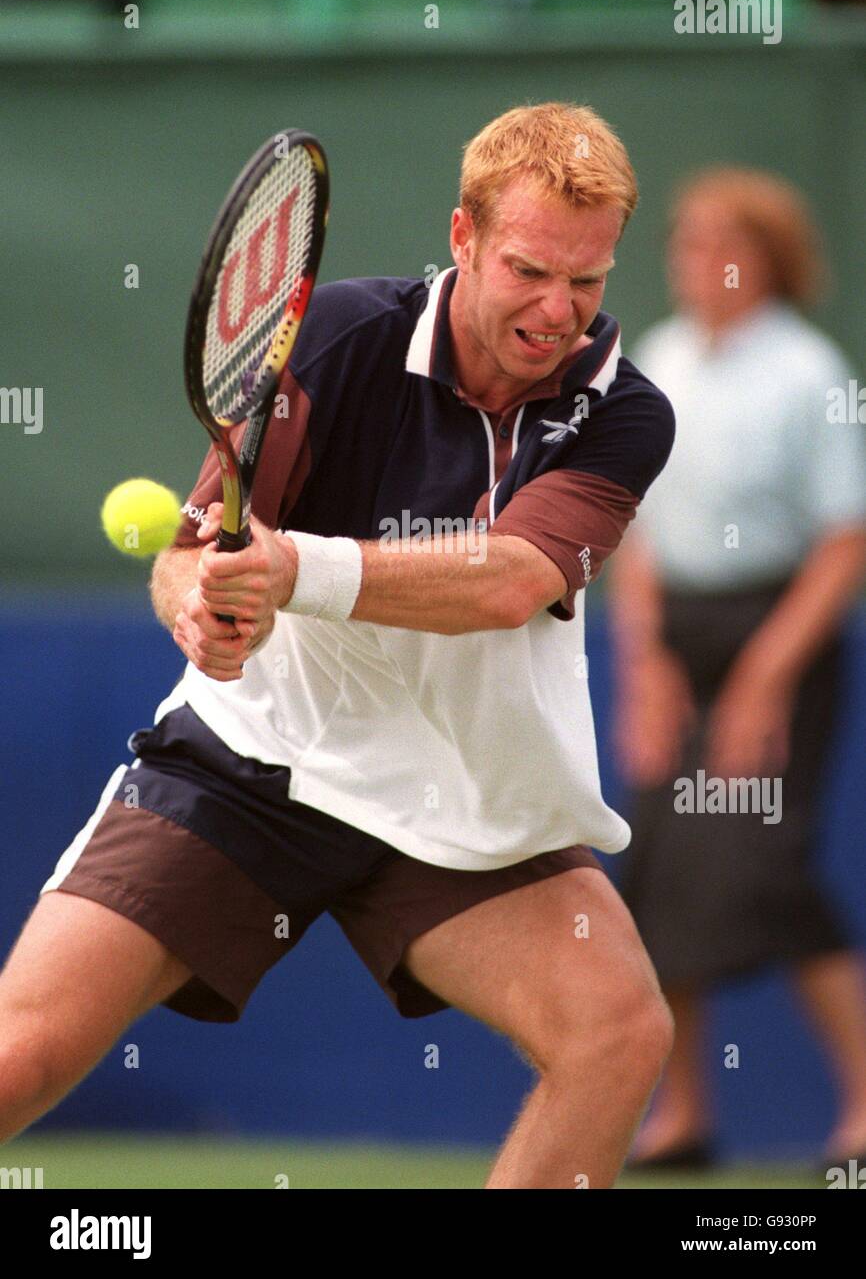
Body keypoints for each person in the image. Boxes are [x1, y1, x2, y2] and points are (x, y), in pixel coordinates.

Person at [0, 102, 676, 1190]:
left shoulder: (623, 414)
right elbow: (185, 551)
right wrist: (193, 606)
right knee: (18, 1056)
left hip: (463, 794)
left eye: (587, 282)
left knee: (617, 1032)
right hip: (251, 765)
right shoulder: (333, 338)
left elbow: (510, 581)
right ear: (460, 238)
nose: (559, 310)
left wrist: (295, 573)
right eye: (527, 270)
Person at [609, 167, 866, 1170]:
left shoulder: (809, 372)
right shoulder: (654, 359)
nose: (695, 259)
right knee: (656, 867)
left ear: (765, 258)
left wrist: (762, 674)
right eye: (682, 238)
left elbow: (843, 543)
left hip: (779, 640)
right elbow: (625, 526)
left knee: (763, 862)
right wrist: (643, 664)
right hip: (674, 642)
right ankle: (681, 1116)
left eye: (722, 240)